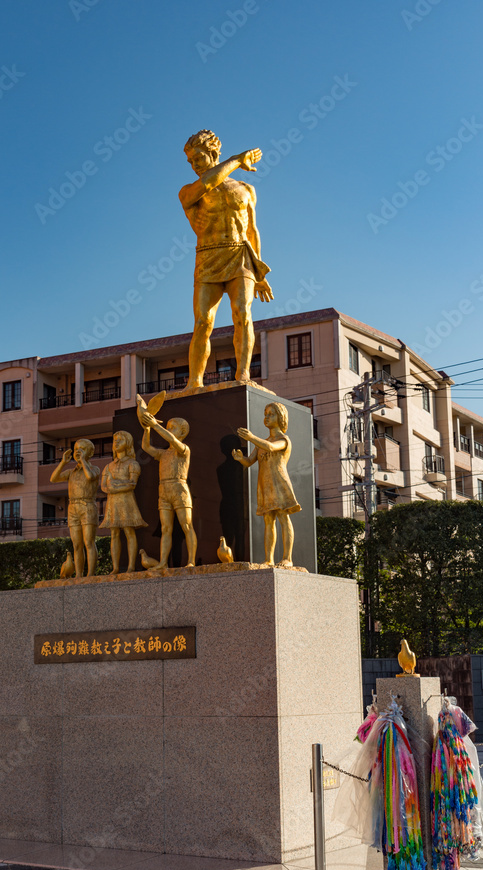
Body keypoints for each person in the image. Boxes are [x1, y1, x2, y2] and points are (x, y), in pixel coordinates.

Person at [179, 129, 273, 389]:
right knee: (203, 322)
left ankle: (243, 375)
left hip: (240, 255)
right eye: (190, 162)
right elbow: (209, 183)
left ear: (212, 153)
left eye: (198, 158)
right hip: (208, 256)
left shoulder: (246, 189)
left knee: (242, 314)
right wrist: (235, 160)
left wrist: (260, 274)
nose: (194, 165)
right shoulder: (189, 192)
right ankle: (194, 382)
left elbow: (252, 231)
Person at [232, 402, 301, 567]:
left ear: (281, 417)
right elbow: (250, 461)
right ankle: (269, 558)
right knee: (268, 520)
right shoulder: (261, 443)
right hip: (265, 485)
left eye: (271, 414)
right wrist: (241, 458)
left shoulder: (283, 439)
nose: (267, 417)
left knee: (283, 517)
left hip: (279, 482)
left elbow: (270, 447)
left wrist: (251, 438)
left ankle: (287, 558)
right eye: (266, 413)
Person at [139, 409, 197, 569]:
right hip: (163, 490)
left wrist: (155, 426)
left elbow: (171, 438)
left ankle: (191, 560)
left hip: (179, 488)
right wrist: (147, 428)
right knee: (165, 528)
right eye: (168, 427)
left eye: (173, 427)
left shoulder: (184, 449)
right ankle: (163, 562)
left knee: (187, 525)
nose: (169, 430)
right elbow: (145, 447)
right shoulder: (163, 453)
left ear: (183, 431)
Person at [99, 430, 147, 574]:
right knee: (114, 533)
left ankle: (131, 566)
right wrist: (113, 487)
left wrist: (114, 485)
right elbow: (103, 486)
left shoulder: (132, 463)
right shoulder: (108, 466)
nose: (117, 442)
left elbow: (132, 483)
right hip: (113, 503)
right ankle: (115, 567)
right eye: (115, 440)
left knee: (128, 531)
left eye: (120, 440)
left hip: (127, 502)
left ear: (128, 443)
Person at [50, 439, 99, 577]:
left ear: (90, 452)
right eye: (76, 448)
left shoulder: (94, 469)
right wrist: (63, 462)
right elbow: (53, 479)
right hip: (73, 508)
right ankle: (78, 575)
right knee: (77, 545)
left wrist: (83, 461)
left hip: (87, 506)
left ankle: (91, 574)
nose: (78, 451)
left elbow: (90, 477)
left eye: (82, 449)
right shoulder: (71, 472)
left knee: (89, 542)